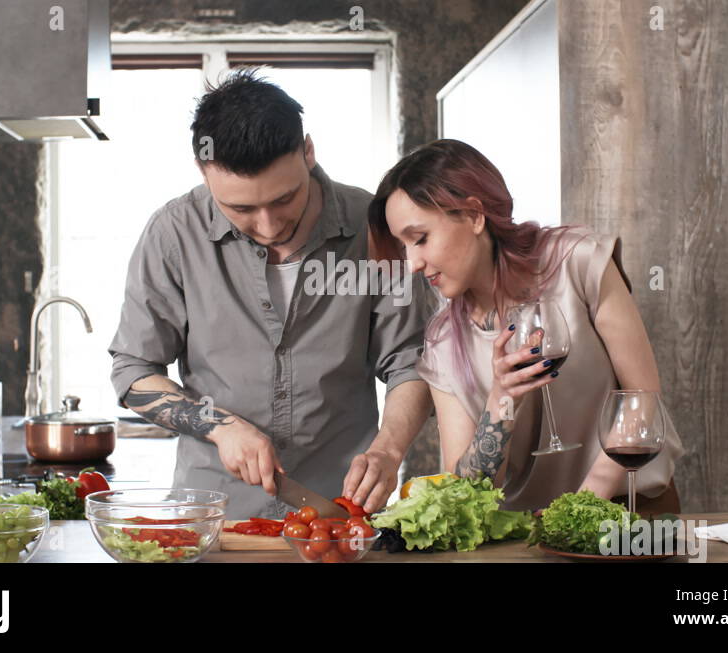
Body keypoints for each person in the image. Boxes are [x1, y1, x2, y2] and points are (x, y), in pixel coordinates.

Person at [109, 69, 432, 519]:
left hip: (337, 513)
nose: (268, 224)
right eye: (240, 208)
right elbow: (134, 370)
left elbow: (410, 361)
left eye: (284, 198)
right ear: (204, 172)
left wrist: (389, 449)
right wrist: (218, 426)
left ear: (308, 152)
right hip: (212, 518)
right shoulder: (173, 234)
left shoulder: (373, 226)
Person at [367, 139, 685, 513]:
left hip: (630, 509)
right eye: (403, 247)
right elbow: (468, 490)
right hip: (526, 535)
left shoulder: (577, 261)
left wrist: (580, 509)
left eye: (420, 239)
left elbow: (642, 400)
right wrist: (501, 397)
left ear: (473, 215)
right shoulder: (442, 342)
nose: (413, 263)